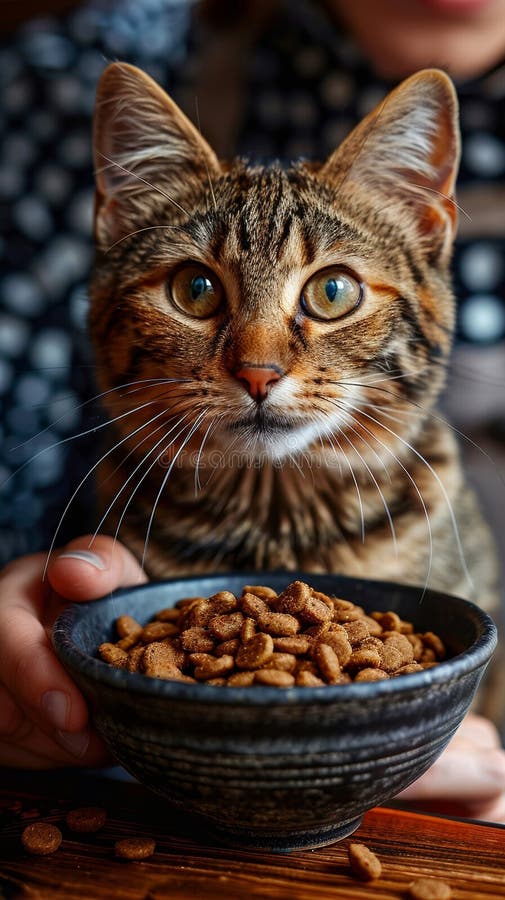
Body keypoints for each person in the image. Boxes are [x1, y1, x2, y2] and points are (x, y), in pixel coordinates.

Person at [1, 0, 505, 820]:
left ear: (424, 218)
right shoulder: (65, 75)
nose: (259, 364)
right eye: (195, 290)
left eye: (332, 292)